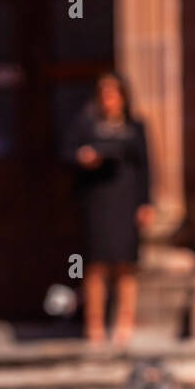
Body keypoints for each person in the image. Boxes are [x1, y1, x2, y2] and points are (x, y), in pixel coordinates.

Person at [64, 72, 155, 345]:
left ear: (123, 97)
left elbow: (146, 167)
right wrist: (84, 158)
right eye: (105, 95)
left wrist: (146, 203)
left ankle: (124, 323)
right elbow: (67, 151)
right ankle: (95, 325)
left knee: (126, 265)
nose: (109, 100)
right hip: (97, 200)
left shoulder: (136, 127)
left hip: (126, 200)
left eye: (114, 94)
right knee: (95, 265)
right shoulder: (86, 124)